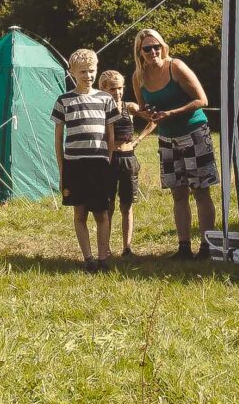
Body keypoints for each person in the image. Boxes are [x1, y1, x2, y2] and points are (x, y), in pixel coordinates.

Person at [134, 30, 217, 259]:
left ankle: (207, 246)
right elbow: (144, 110)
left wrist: (172, 112)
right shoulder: (138, 76)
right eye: (147, 48)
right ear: (140, 53)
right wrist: (147, 114)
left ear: (163, 46)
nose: (153, 52)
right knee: (178, 193)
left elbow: (202, 99)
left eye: (156, 46)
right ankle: (183, 247)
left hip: (194, 132)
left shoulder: (176, 67)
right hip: (167, 138)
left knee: (200, 190)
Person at [51, 48, 119, 269]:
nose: (88, 76)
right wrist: (62, 170)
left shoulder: (105, 99)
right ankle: (88, 258)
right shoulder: (64, 101)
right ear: (72, 72)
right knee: (79, 212)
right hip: (74, 165)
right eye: (82, 72)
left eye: (91, 71)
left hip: (98, 164)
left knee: (101, 211)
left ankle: (103, 257)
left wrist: (108, 162)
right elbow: (59, 138)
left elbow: (110, 135)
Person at [98, 69, 141, 259]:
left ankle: (127, 247)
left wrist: (141, 138)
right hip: (109, 160)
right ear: (104, 89)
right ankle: (105, 247)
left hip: (128, 158)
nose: (117, 92)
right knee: (108, 205)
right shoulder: (100, 109)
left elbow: (152, 117)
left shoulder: (129, 107)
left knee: (127, 205)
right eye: (113, 88)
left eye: (120, 88)